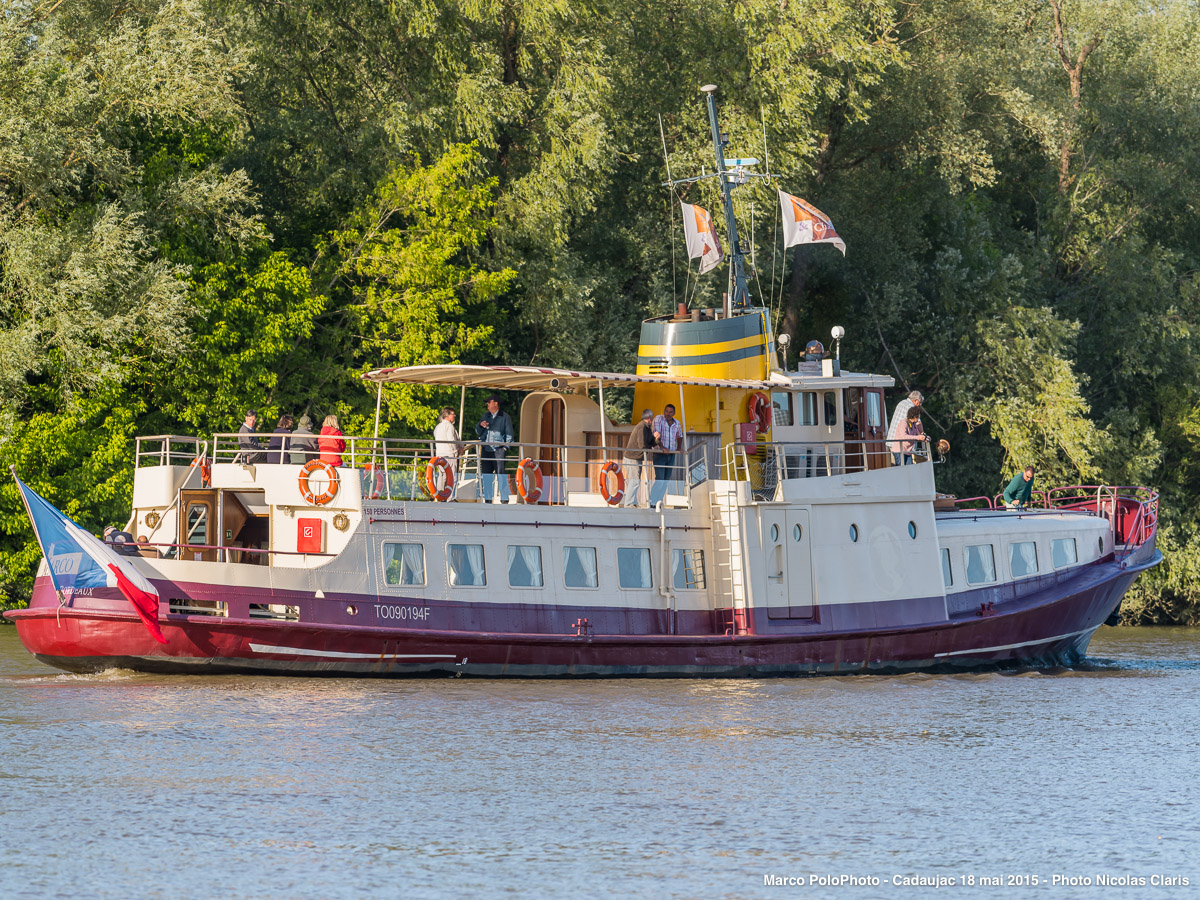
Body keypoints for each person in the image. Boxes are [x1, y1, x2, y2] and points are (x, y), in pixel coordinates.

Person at [475, 395, 514, 503]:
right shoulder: (485, 415)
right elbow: (478, 431)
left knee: (501, 475)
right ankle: (487, 499)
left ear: (496, 403)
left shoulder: (505, 417)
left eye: (489, 402)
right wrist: (480, 425)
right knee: (486, 476)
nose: (487, 404)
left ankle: (504, 498)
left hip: (498, 450)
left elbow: (509, 434)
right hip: (486, 450)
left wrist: (505, 448)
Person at [621, 409, 657, 508]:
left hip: (635, 458)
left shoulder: (647, 428)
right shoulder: (642, 428)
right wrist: (651, 446)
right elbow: (642, 445)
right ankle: (629, 504)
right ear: (649, 418)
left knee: (635, 480)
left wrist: (656, 439)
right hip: (632, 458)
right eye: (652, 417)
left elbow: (650, 442)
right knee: (635, 481)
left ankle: (633, 502)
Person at [648, 403, 683, 507]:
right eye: (666, 411)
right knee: (660, 479)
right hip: (659, 453)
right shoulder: (658, 419)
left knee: (666, 480)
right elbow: (656, 434)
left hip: (671, 454)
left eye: (670, 412)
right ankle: (652, 501)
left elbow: (679, 435)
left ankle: (658, 502)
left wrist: (679, 447)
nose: (668, 413)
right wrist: (662, 447)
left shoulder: (677, 422)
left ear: (674, 413)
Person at [887, 390, 923, 466]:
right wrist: (922, 435)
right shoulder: (912, 408)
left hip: (892, 440)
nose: (919, 405)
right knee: (902, 469)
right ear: (916, 400)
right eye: (920, 403)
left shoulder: (902, 402)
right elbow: (918, 423)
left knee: (896, 467)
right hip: (901, 445)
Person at [433, 407, 462, 497]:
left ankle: (439, 495)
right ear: (447, 415)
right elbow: (451, 441)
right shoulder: (449, 426)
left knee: (442, 476)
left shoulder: (438, 427)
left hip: (440, 455)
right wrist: (456, 452)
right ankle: (450, 497)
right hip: (450, 455)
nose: (454, 416)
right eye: (453, 414)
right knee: (452, 476)